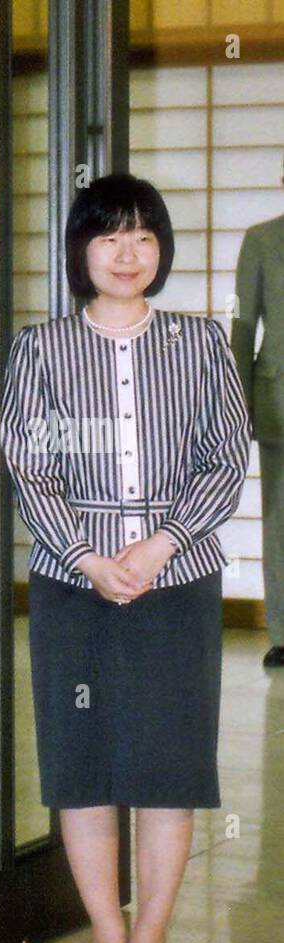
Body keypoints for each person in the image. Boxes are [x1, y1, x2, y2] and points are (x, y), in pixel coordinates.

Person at [0, 173, 249, 943]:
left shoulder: (202, 343)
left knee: (168, 769)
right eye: (110, 236)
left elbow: (226, 458)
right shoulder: (40, 349)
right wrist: (86, 553)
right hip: (76, 585)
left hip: (176, 580)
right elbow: (25, 460)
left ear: (161, 250)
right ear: (82, 249)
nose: (127, 252)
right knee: (85, 766)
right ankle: (106, 933)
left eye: (144, 236)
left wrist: (159, 543)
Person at [231, 157, 284, 667]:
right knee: (280, 518)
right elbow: (243, 325)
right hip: (279, 400)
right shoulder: (262, 240)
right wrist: (238, 400)